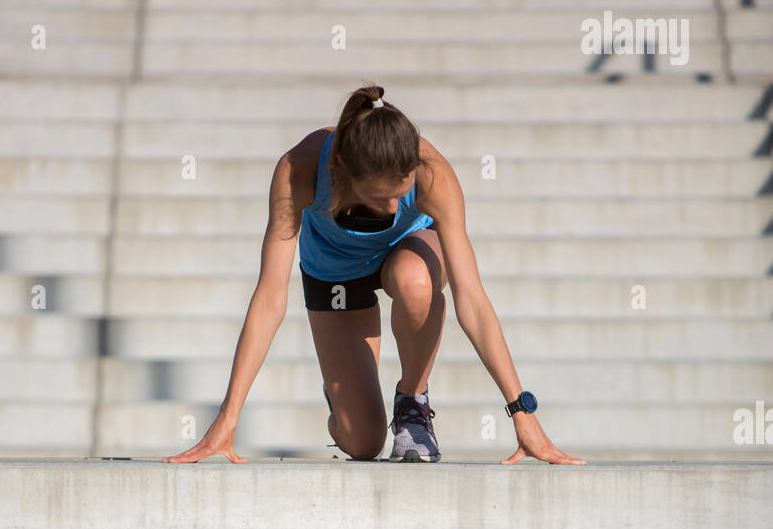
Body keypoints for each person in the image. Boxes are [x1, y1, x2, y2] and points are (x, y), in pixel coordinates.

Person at [163, 83, 584, 467]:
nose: (389, 209)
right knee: (362, 443)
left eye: (400, 195)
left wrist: (521, 413)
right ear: (343, 168)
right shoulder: (300, 170)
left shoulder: (433, 174)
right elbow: (270, 297)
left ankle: (412, 404)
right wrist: (228, 417)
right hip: (334, 271)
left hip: (410, 253)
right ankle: (343, 396)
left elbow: (472, 299)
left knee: (415, 280)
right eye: (378, 198)